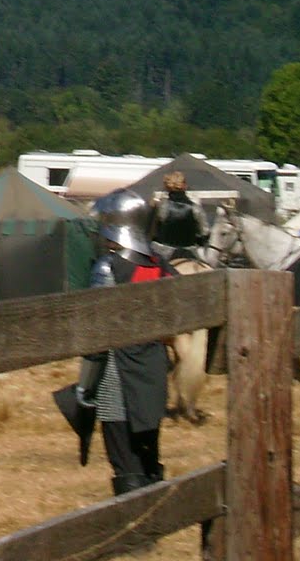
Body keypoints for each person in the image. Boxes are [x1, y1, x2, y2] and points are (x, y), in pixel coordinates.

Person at [69, 188, 173, 495]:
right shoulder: (160, 265)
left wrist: (84, 388)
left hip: (118, 373)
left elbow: (98, 339)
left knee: (125, 461)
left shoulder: (107, 267)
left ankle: (136, 521)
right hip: (153, 370)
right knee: (149, 453)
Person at [149, 171, 208, 262]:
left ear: (167, 187)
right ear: (185, 186)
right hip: (190, 252)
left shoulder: (161, 207)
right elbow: (205, 232)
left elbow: (151, 231)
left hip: (163, 253)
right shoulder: (195, 208)